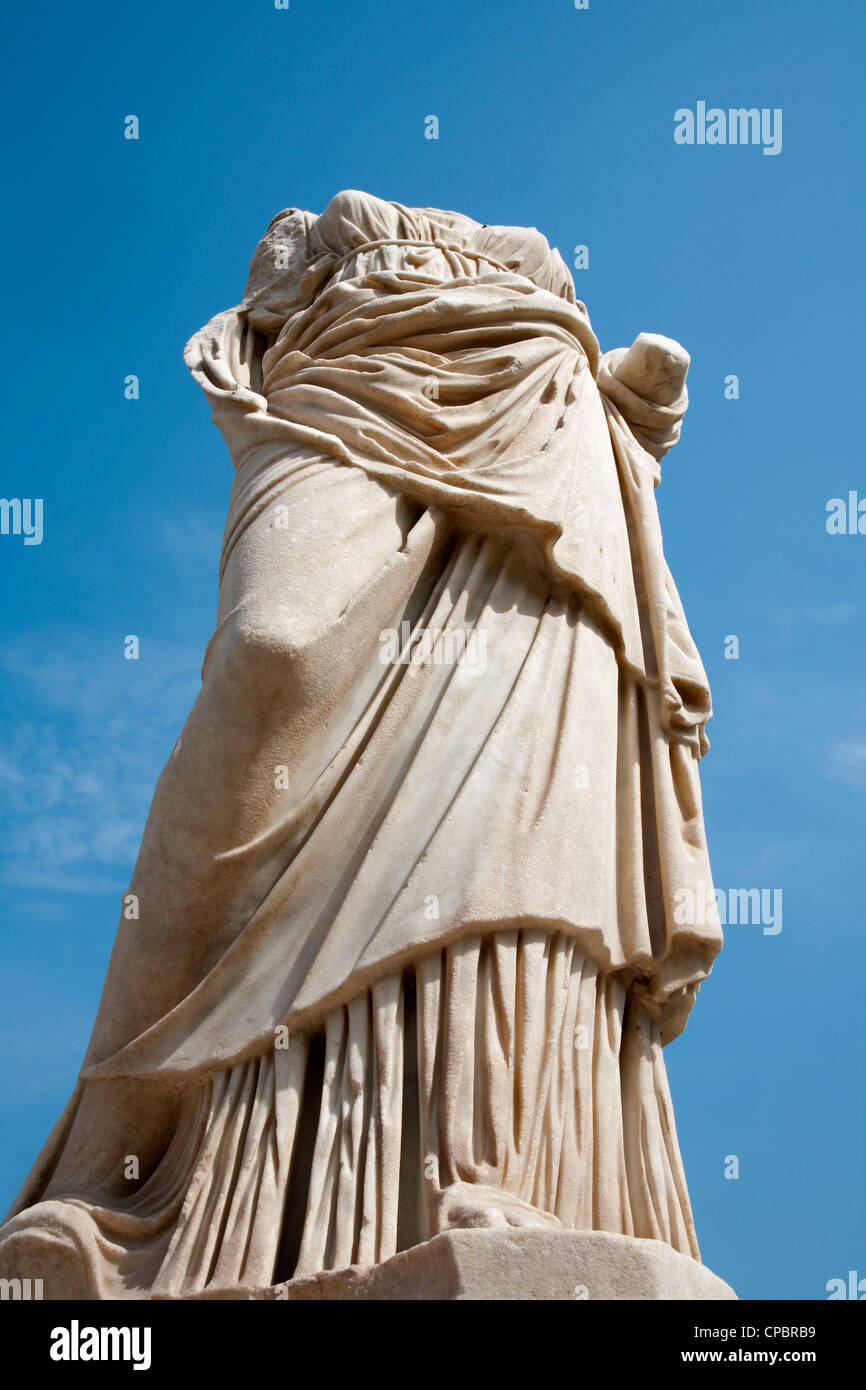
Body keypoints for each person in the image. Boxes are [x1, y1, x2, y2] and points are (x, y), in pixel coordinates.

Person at [0, 191, 722, 1298]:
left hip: (534, 365)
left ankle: (487, 1161)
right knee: (273, 654)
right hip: (339, 352)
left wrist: (619, 415)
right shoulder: (302, 254)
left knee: (506, 778)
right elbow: (269, 643)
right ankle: (127, 1142)